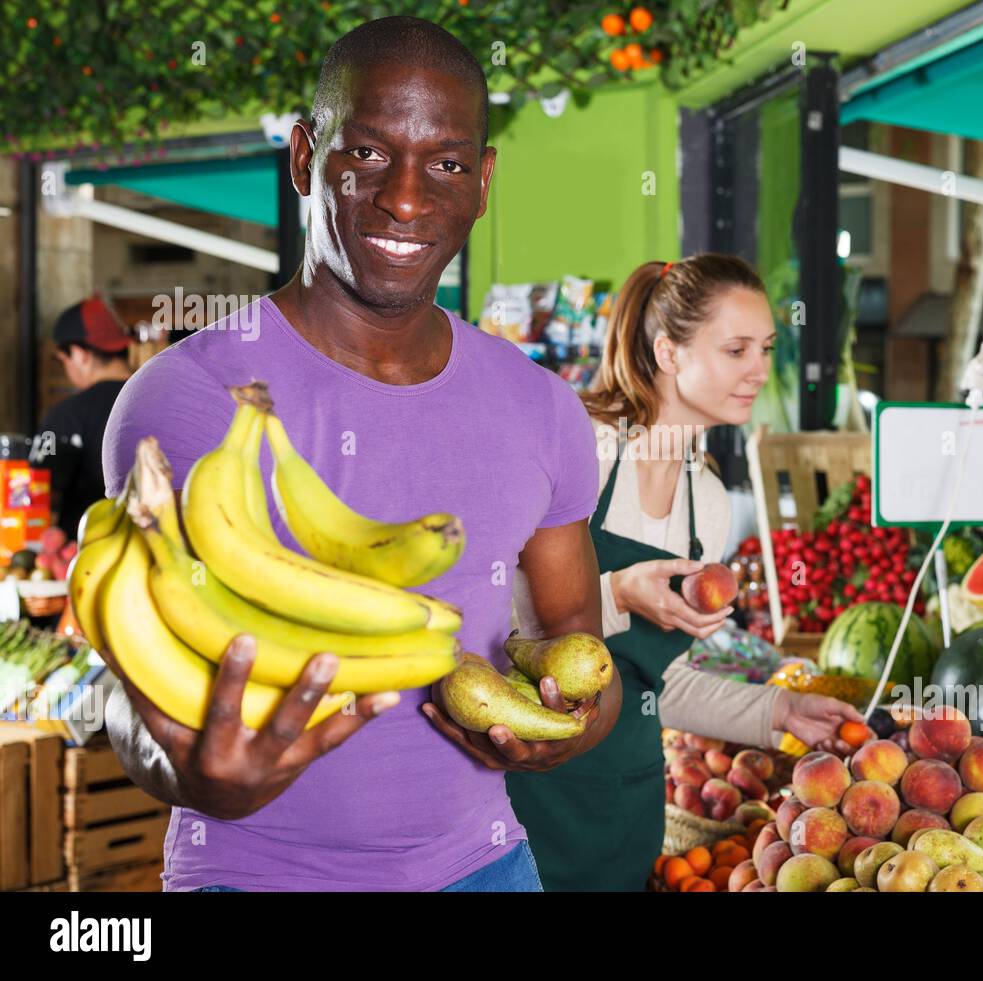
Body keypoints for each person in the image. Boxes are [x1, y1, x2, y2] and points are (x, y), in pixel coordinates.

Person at [99, 16, 615, 892]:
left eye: (447, 164)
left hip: (486, 867)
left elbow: (575, 639)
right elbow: (126, 674)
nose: (406, 200)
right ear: (305, 157)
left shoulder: (541, 407)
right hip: (252, 876)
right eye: (368, 155)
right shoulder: (184, 398)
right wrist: (185, 773)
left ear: (483, 182)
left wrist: (561, 730)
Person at [507, 255, 865, 891]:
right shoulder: (581, 449)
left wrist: (779, 709)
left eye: (765, 348)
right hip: (517, 783)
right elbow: (489, 625)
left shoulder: (710, 506)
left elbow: (657, 685)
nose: (758, 371)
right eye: (736, 350)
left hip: (625, 801)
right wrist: (617, 594)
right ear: (668, 353)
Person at [33, 295, 132, 540]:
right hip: (161, 554)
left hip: (84, 556)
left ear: (79, 354)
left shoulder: (66, 415)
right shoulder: (163, 400)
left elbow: (36, 492)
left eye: (64, 360)